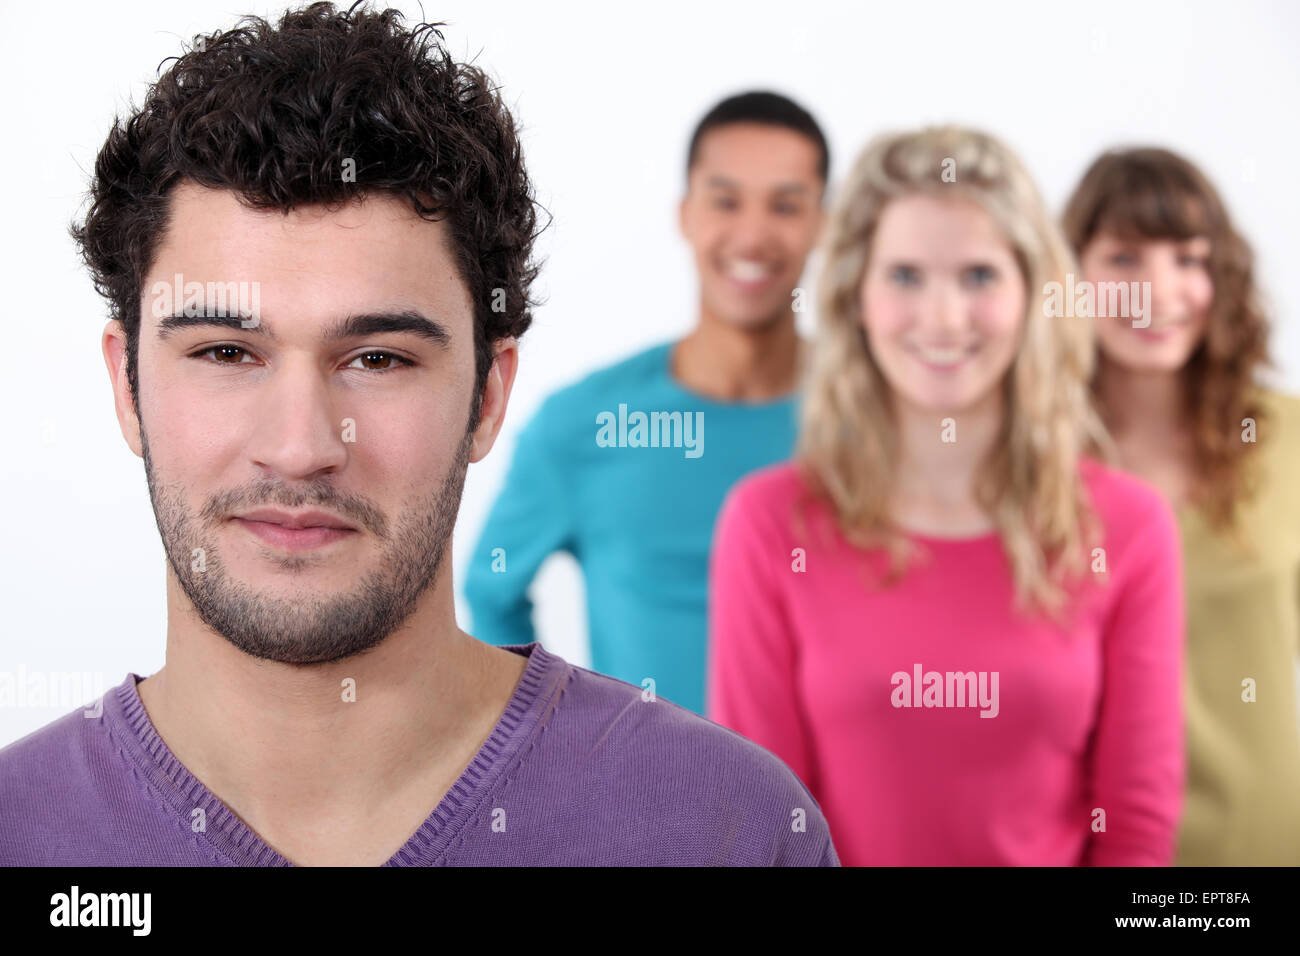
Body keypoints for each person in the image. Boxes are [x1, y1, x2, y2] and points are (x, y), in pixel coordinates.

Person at [0, 2, 838, 867]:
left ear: (487, 397)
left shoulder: (728, 830)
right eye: (225, 351)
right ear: (126, 386)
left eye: (378, 359)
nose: (299, 446)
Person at [707, 126, 1185, 865]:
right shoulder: (769, 524)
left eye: (979, 276)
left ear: (1031, 294)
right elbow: (766, 826)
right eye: (904, 276)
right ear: (856, 298)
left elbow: (1135, 828)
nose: (943, 318)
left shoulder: (1127, 526)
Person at [464, 91, 828, 715]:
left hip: (845, 813)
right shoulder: (588, 424)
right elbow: (491, 590)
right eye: (726, 200)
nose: (753, 233)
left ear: (824, 222)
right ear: (686, 214)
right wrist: (562, 742)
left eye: (786, 205)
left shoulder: (880, 418)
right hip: (652, 806)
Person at [1064, 147, 1300, 866]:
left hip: (1263, 840)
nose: (1157, 292)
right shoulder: (1024, 458)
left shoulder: (1286, 438)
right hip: (1084, 847)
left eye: (1189, 259)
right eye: (1125, 260)